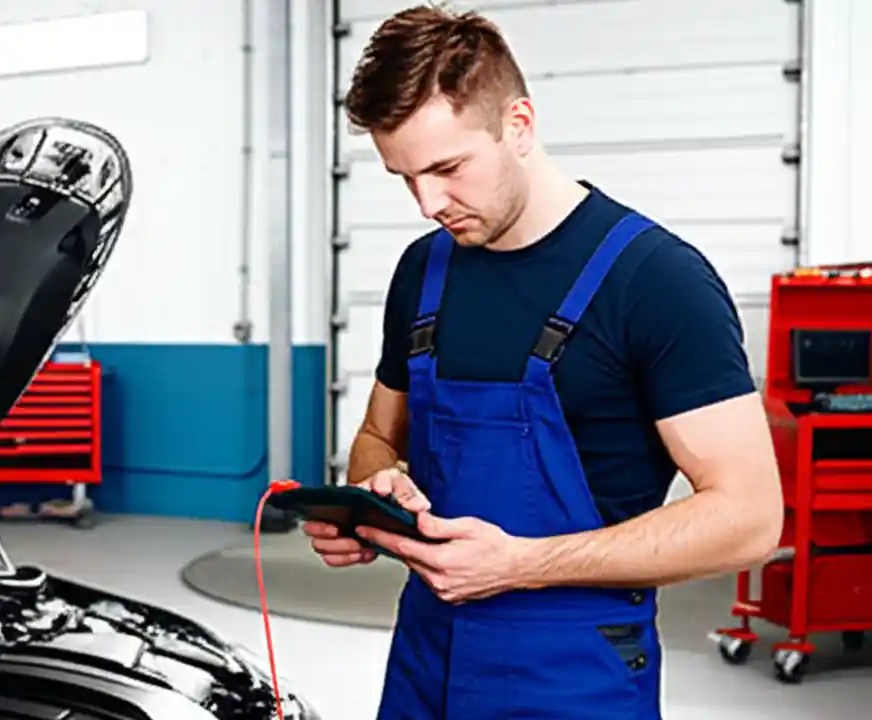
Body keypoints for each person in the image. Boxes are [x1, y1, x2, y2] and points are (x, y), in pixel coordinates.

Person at [300, 5, 784, 718]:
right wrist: (374, 496)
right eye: (404, 176)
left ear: (519, 126)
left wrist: (520, 564)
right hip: (425, 658)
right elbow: (378, 436)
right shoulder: (423, 272)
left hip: (573, 671)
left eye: (447, 168)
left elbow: (749, 518)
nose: (428, 202)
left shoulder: (655, 281)